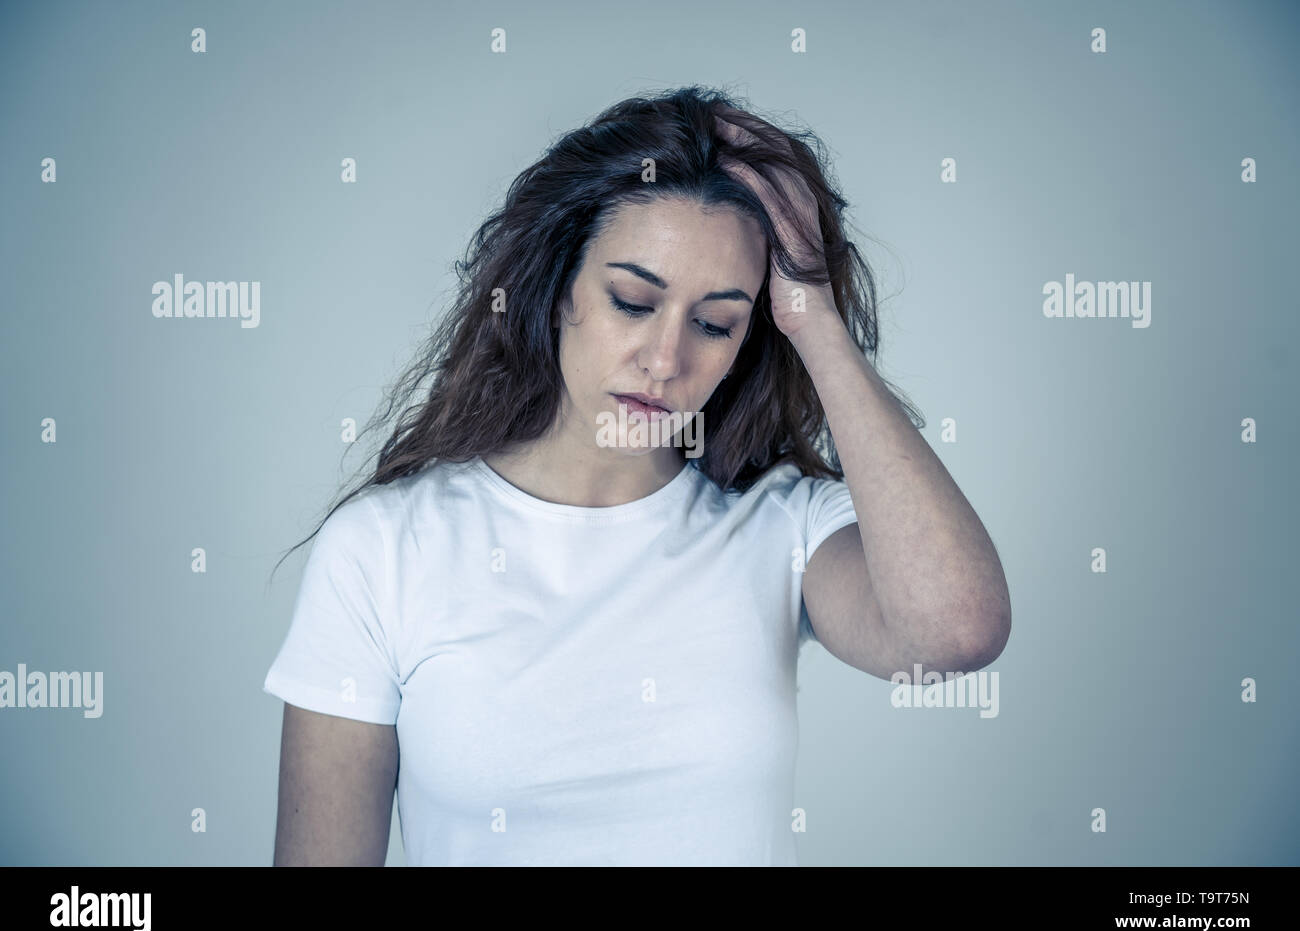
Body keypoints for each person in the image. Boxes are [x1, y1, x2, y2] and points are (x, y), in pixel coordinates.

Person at [263, 85, 1011, 866]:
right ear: (557, 294)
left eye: (716, 322)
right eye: (631, 302)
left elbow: (955, 632)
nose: (665, 361)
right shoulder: (383, 550)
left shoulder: (777, 523)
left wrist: (813, 317)